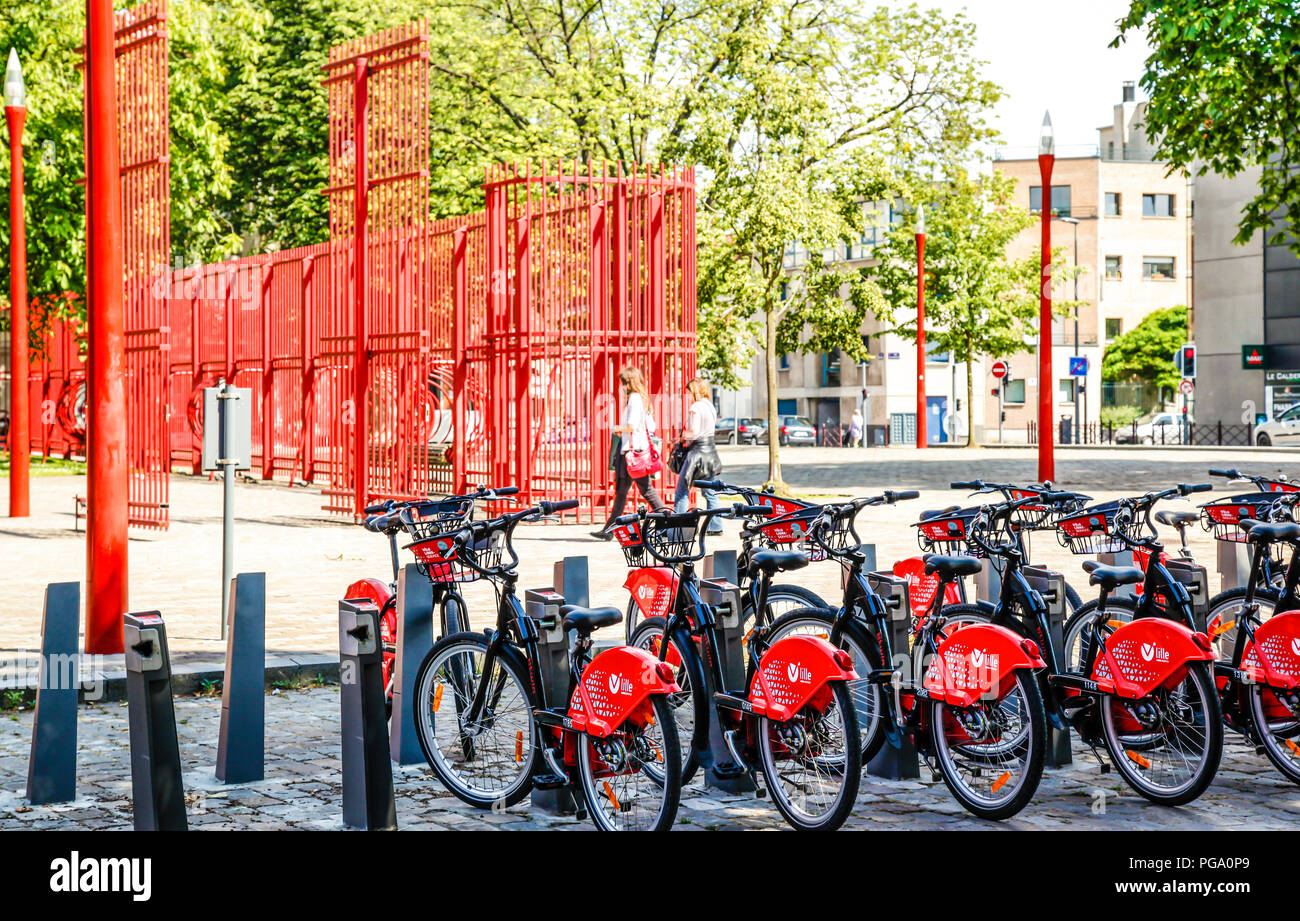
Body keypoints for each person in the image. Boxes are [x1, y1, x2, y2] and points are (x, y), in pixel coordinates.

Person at [592, 366, 669, 539]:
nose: (621, 386)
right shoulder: (639, 398)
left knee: (647, 491)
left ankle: (668, 522)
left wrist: (615, 428)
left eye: (622, 382)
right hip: (629, 452)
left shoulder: (634, 398)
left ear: (628, 382)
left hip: (633, 454)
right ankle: (609, 530)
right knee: (621, 492)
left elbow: (631, 426)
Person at [673, 377, 724, 535]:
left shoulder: (696, 406)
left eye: (688, 392)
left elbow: (693, 432)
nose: (686, 395)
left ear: (694, 390)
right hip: (710, 452)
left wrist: (681, 437)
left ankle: (679, 526)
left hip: (696, 454)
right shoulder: (710, 406)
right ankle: (716, 526)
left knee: (682, 490)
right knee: (709, 491)